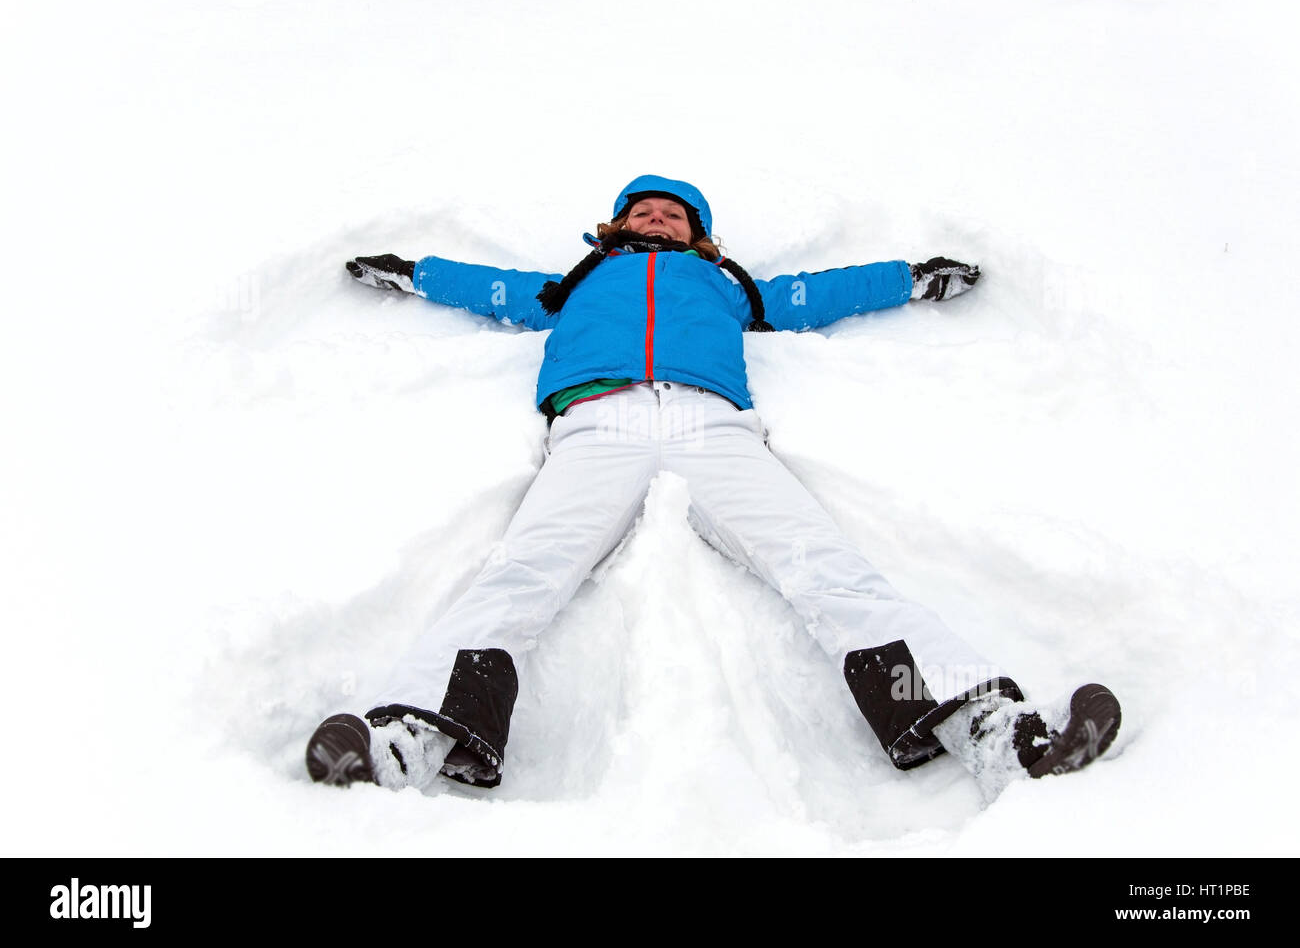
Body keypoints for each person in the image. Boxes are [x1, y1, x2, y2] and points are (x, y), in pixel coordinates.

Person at [305, 175, 1121, 800]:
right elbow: (488, 287)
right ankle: (408, 737)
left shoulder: (730, 288)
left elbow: (824, 293)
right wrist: (413, 272)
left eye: (675, 214)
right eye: (643, 210)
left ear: (698, 233)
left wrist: (909, 277)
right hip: (597, 426)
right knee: (521, 575)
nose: (658, 219)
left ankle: (992, 731)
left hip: (713, 430)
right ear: (616, 224)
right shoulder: (575, 283)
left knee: (830, 570)